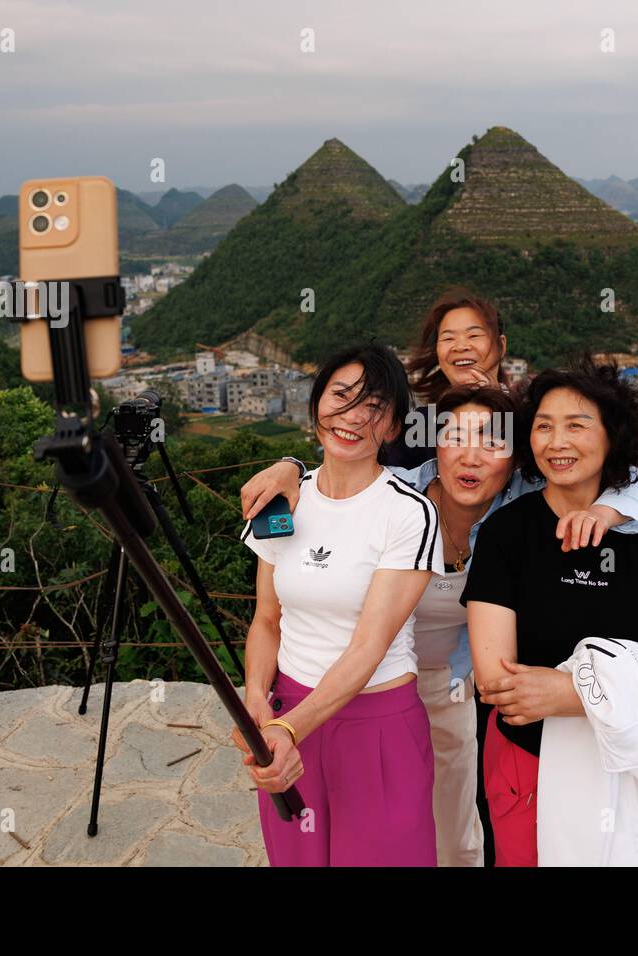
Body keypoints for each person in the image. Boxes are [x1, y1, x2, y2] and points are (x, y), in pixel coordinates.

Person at [240, 383, 638, 865]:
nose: (471, 457)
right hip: (365, 679)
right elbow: (339, 472)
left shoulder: (521, 509)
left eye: (493, 442)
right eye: (455, 437)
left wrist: (605, 510)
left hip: (454, 685)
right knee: (354, 821)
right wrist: (292, 465)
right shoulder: (397, 496)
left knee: (454, 829)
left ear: (516, 461)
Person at [461, 357, 638, 867]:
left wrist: (567, 689)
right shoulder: (507, 535)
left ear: (612, 436)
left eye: (577, 425)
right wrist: (636, 663)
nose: (558, 442)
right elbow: (498, 683)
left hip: (634, 755)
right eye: (544, 426)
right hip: (527, 760)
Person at [233, 343, 444, 867]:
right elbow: (266, 620)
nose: (352, 418)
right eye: (341, 397)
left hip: (377, 725)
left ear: (394, 427)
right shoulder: (283, 501)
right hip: (288, 714)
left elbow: (369, 646)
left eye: (374, 408)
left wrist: (286, 728)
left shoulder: (408, 514)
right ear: (316, 403)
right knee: (296, 858)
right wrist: (258, 697)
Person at [386, 287, 508, 469]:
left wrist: (500, 409)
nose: (460, 346)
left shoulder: (531, 415)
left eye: (474, 335)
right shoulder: (421, 424)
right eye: (448, 338)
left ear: (501, 345)